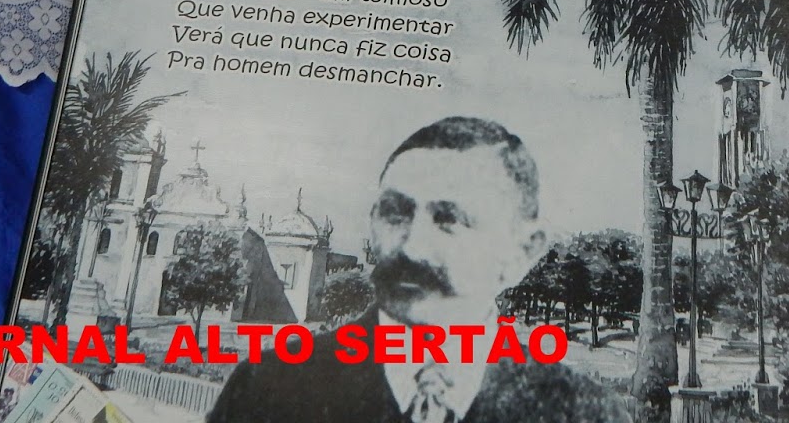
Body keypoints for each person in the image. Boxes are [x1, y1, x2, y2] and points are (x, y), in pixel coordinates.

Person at [207, 116, 629, 423]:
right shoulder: (266, 390)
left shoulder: (583, 414)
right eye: (395, 212)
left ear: (522, 252)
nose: (412, 244)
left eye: (450, 218)